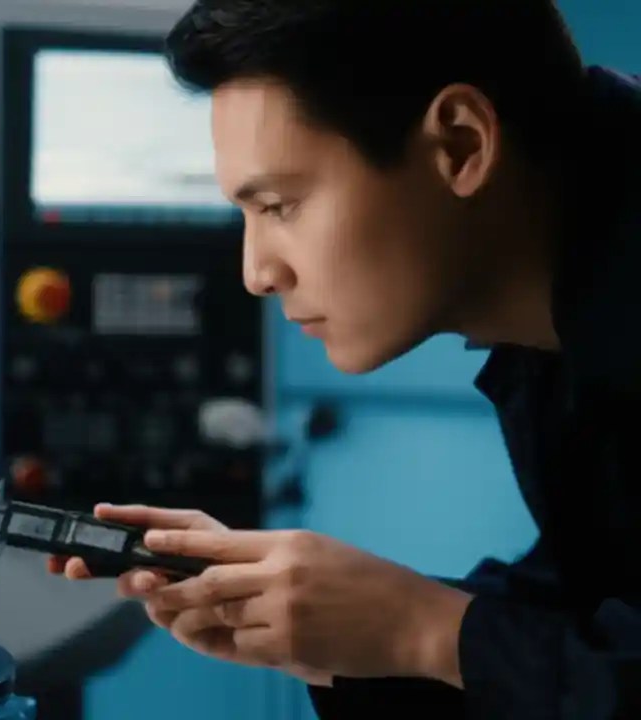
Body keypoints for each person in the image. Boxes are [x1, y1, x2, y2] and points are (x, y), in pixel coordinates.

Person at [48, 0, 641, 717]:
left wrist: (422, 628)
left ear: (459, 145)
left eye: (279, 206)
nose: (257, 273)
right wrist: (324, 628)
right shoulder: (567, 317)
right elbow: (592, 612)